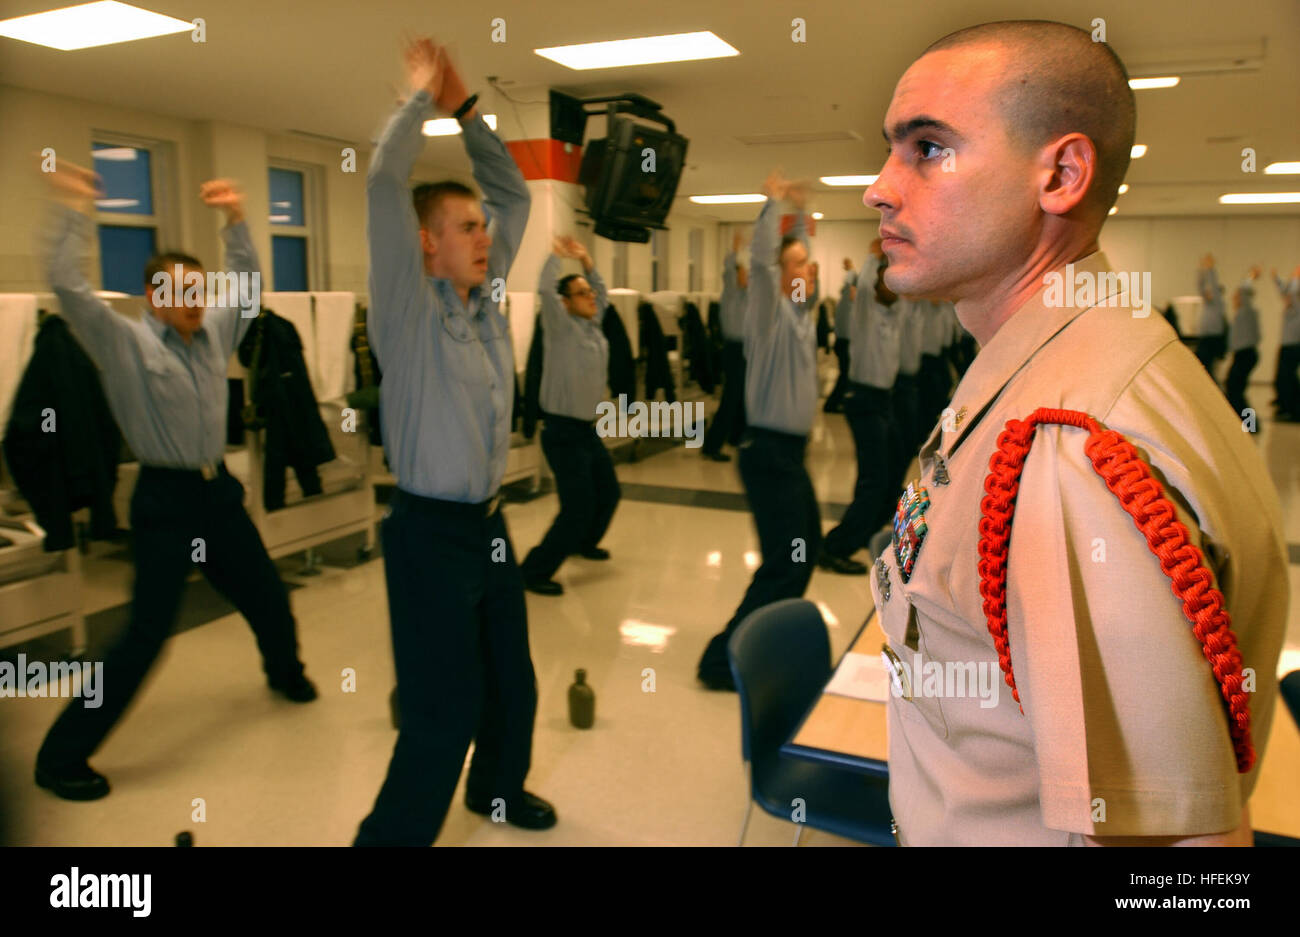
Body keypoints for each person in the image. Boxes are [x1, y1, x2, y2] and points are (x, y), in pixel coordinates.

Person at [866, 19, 1286, 846]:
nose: (879, 186)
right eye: (890, 148)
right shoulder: (1062, 358)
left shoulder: (1071, 446)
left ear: (1060, 175)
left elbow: (1170, 855)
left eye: (928, 148)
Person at [35, 166, 316, 802]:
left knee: (268, 595)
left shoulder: (213, 335)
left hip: (218, 495)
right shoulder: (125, 343)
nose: (194, 299)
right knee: (145, 634)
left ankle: (286, 673)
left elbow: (246, 291)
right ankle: (60, 756)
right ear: (153, 295)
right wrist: (75, 207)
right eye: (180, 290)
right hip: (165, 503)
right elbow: (65, 285)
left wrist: (237, 221)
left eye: (199, 288)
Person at [355, 38, 552, 846]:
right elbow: (380, 183)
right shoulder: (405, 308)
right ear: (427, 243)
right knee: (443, 713)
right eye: (465, 228)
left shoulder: (486, 299)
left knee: (513, 681)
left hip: (489, 526)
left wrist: (470, 110)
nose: (483, 238)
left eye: (480, 229)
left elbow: (517, 198)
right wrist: (418, 101)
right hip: (429, 535)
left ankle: (496, 791)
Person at [697, 171, 820, 692]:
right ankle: (724, 660)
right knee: (785, 559)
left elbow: (792, 266)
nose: (807, 274)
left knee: (800, 551)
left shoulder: (800, 315)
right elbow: (767, 266)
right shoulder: (768, 318)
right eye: (798, 267)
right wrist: (772, 206)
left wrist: (802, 222)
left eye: (810, 268)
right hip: (768, 454)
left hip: (787, 455)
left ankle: (764, 645)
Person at [519, 235, 618, 596]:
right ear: (565, 303)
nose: (591, 297)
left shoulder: (594, 325)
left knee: (608, 493)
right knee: (577, 507)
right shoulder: (559, 328)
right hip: (562, 433)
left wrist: (588, 262)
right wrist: (555, 258)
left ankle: (582, 542)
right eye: (581, 293)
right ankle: (532, 571)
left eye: (589, 292)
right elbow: (545, 290)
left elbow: (602, 294)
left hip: (586, 431)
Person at [819, 254, 903, 575]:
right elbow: (868, 280)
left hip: (885, 401)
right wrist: (880, 252)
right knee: (875, 480)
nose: (891, 285)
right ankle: (834, 548)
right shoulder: (866, 312)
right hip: (865, 400)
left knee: (893, 477)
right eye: (885, 279)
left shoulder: (896, 311)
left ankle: (867, 537)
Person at [702, 231, 750, 459]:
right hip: (734, 349)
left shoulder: (748, 295)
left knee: (741, 396)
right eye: (743, 273)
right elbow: (729, 269)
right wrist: (735, 250)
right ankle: (712, 445)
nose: (746, 277)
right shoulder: (732, 291)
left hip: (747, 349)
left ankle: (736, 436)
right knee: (731, 398)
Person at [1224, 268, 1261, 424]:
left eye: (1236, 296)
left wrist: (1250, 277)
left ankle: (1251, 424)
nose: (1233, 298)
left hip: (1246, 354)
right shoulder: (1241, 313)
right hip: (1242, 354)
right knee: (1233, 388)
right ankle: (1242, 421)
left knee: (1235, 388)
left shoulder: (1246, 310)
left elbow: (1244, 290)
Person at [1271, 264, 1300, 421]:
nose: (1286, 298)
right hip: (1288, 345)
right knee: (1285, 377)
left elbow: (1291, 292)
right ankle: (1288, 406)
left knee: (1286, 377)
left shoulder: (1296, 304)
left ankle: (1291, 409)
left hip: (1293, 346)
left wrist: (1296, 277)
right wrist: (1276, 278)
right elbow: (1285, 291)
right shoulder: (1291, 303)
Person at [1195, 253, 1228, 378]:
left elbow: (1213, 285)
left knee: (1207, 369)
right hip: (1205, 338)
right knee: (1202, 367)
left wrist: (1210, 269)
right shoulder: (1207, 305)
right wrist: (1200, 271)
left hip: (1212, 338)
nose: (1207, 293)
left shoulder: (1218, 303)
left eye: (1211, 292)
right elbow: (1200, 287)